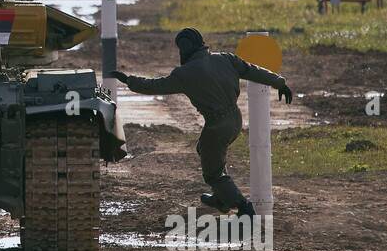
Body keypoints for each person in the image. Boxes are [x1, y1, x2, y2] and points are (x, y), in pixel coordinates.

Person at [110, 28, 292, 217]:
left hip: (216, 126)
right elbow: (252, 71)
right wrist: (279, 82)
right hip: (235, 119)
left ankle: (243, 207)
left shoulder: (184, 74)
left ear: (183, 49)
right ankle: (221, 198)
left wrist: (129, 80)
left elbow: (154, 86)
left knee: (212, 173)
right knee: (205, 150)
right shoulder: (225, 58)